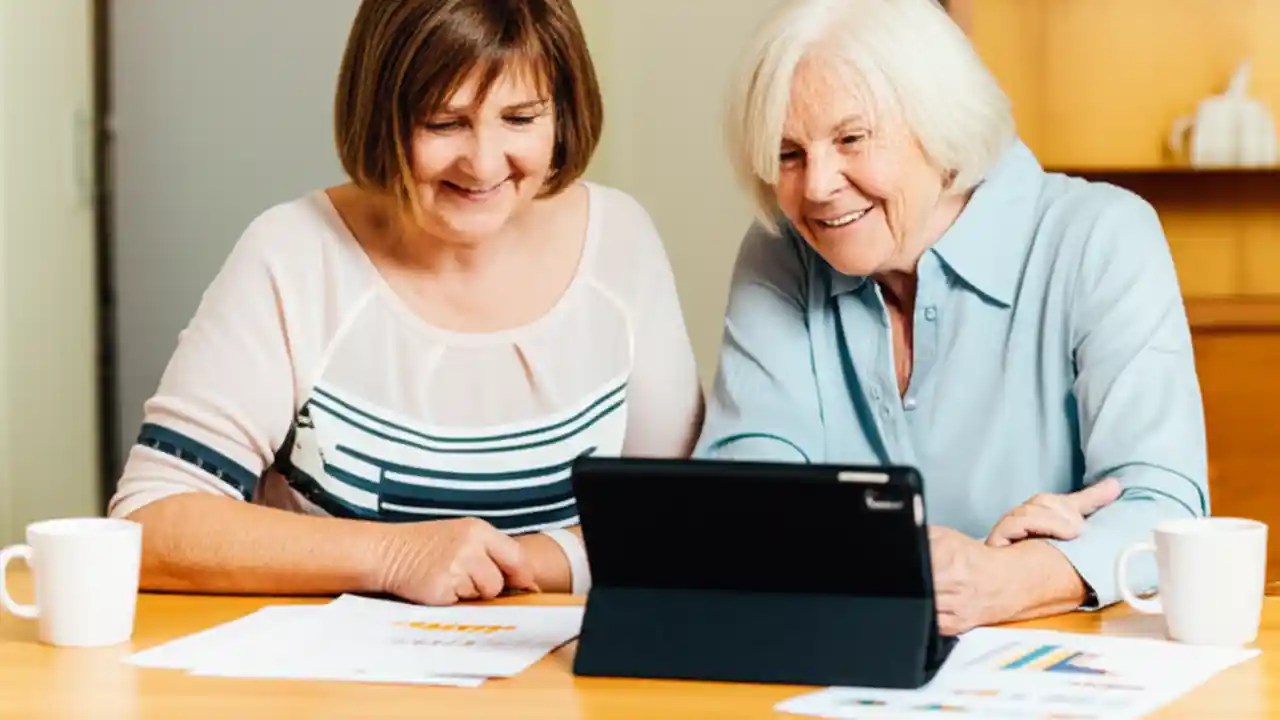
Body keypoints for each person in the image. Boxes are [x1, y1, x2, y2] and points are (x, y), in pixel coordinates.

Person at [108, 0, 703, 606]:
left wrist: (509, 562)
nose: (484, 163)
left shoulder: (620, 241)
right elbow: (150, 522)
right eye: (445, 123)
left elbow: (681, 519)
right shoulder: (292, 253)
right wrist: (393, 557)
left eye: (520, 118)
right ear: (380, 114)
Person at [699, 0, 1207, 634]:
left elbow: (1162, 504)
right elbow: (747, 500)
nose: (819, 184)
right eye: (789, 153)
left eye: (852, 138)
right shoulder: (782, 253)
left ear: (940, 125)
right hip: (843, 658)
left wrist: (1016, 580)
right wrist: (927, 570)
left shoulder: (1100, 236)